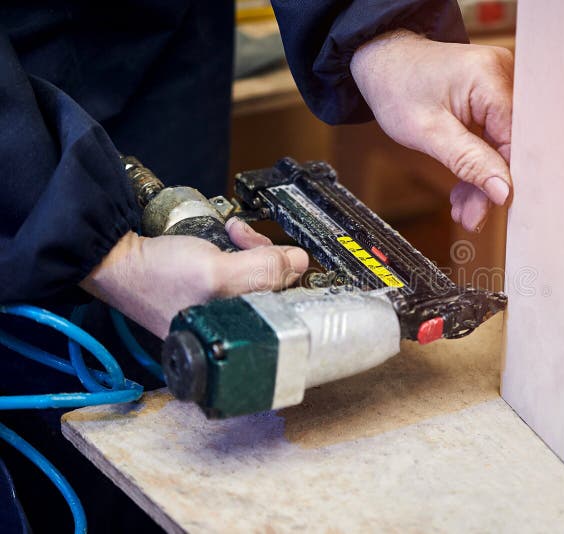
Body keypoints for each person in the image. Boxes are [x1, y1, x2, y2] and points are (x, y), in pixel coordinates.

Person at [0, 1, 513, 530]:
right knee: (50, 424)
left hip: (168, 28)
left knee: (194, 378)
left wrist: (381, 32)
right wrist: (105, 255)